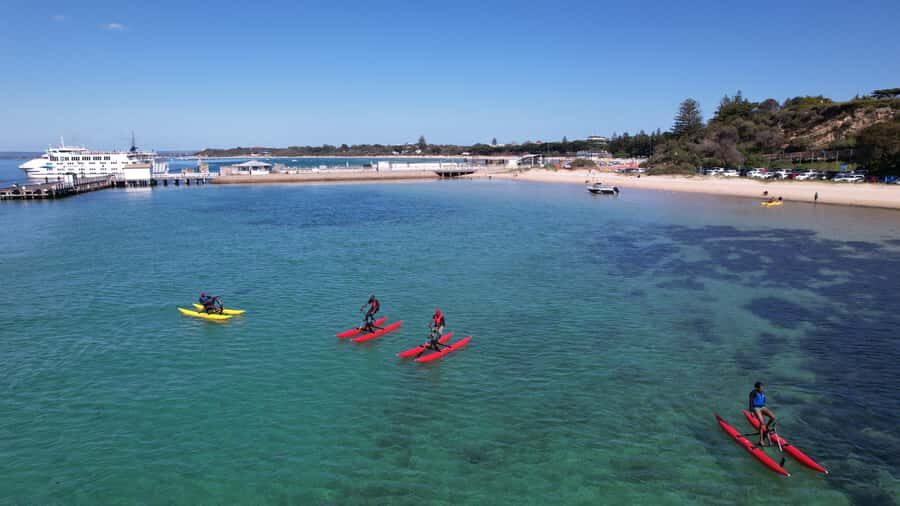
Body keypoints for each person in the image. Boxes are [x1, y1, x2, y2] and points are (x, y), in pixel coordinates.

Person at [749, 382, 776, 446]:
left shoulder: (762, 392)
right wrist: (751, 411)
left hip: (762, 407)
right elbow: (750, 402)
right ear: (757, 388)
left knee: (773, 417)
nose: (762, 388)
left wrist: (764, 409)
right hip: (756, 408)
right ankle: (761, 441)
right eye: (761, 387)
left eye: (762, 387)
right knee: (762, 422)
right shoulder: (753, 393)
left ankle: (767, 427)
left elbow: (763, 401)